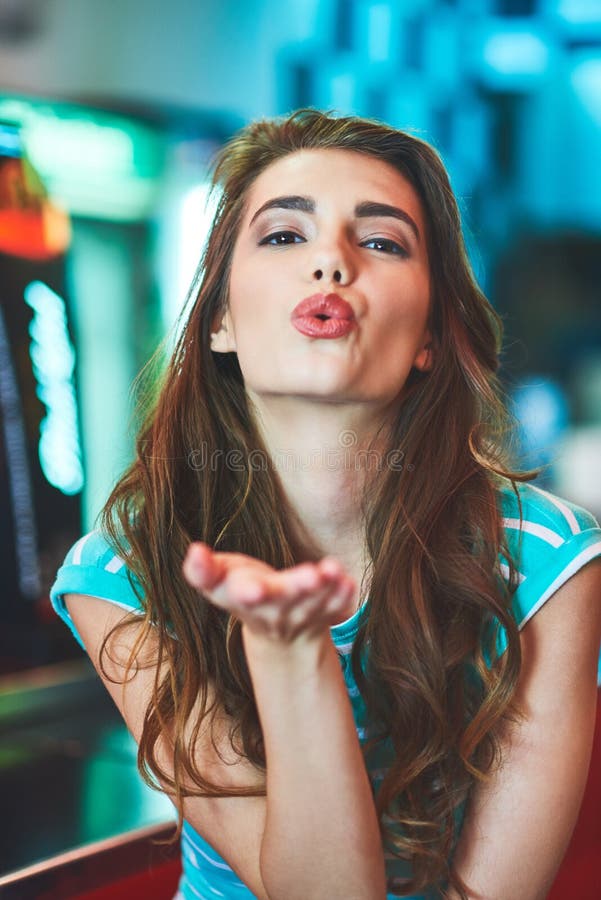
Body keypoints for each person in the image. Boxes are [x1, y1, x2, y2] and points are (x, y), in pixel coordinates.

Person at [50, 109, 601, 900]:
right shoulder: (124, 569)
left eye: (381, 242)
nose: (331, 264)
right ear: (220, 321)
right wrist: (291, 657)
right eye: (283, 237)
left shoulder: (546, 561)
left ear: (431, 340)